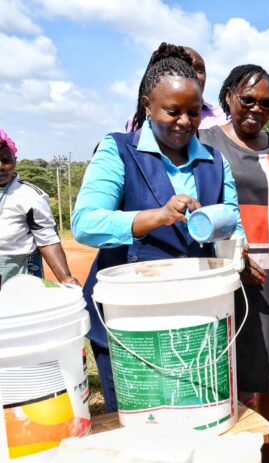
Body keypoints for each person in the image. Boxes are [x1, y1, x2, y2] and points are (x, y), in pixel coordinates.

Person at [73, 53, 243, 413]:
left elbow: (233, 223)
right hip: (131, 324)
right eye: (172, 111)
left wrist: (222, 229)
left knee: (198, 418)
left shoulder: (215, 160)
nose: (185, 122)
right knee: (142, 427)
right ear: (148, 106)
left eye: (193, 112)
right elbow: (85, 223)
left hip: (197, 321)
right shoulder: (119, 150)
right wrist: (157, 216)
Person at [199, 64, 269, 463]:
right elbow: (202, 208)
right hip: (227, 277)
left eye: (266, 103)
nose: (256, 109)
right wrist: (234, 255)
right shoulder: (205, 141)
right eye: (248, 99)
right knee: (223, 372)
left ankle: (268, 462)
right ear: (228, 96)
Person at [0, 129, 79, 289]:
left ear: (15, 160)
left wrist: (65, 278)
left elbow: (47, 240)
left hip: (18, 274)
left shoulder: (29, 196)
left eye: (6, 160)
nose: (0, 167)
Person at [126, 43, 226, 132]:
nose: (185, 122)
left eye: (200, 70)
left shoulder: (223, 117)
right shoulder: (136, 121)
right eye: (172, 112)